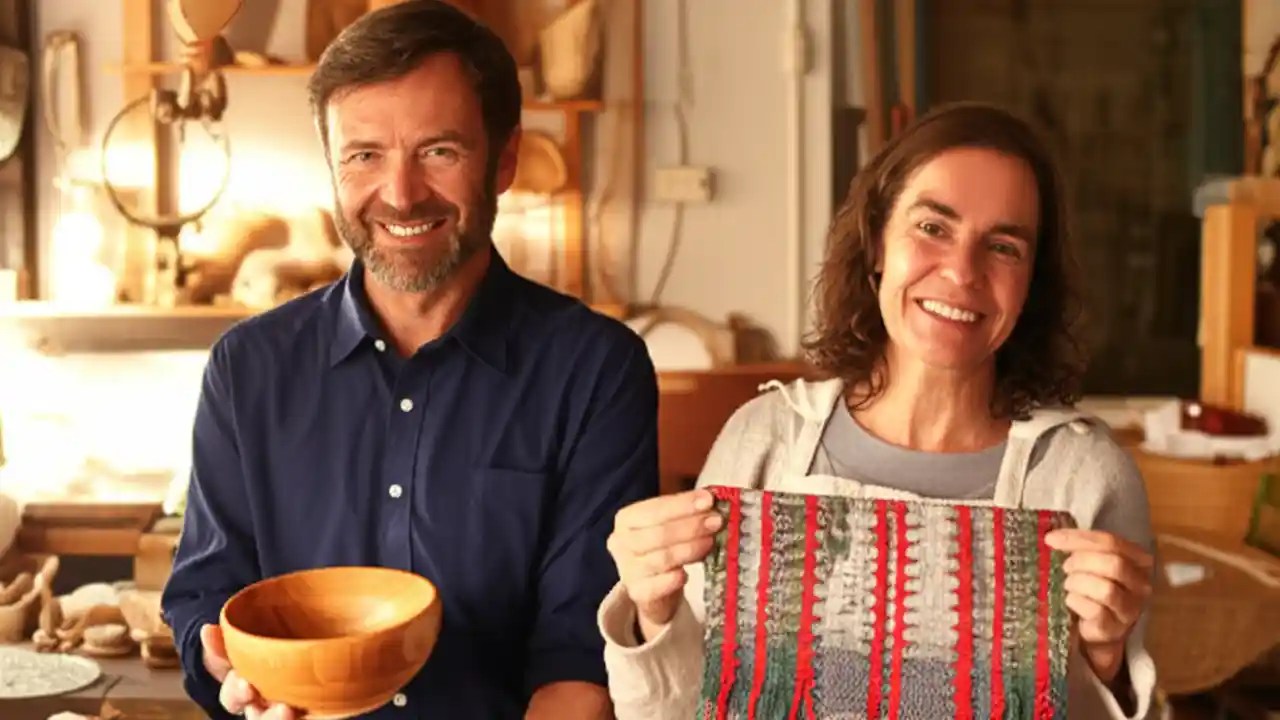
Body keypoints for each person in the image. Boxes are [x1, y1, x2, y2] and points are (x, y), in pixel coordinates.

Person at [160, 2, 659, 718]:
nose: (400, 194)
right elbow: (206, 595)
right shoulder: (248, 368)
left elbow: (579, 650)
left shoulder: (595, 370)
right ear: (332, 165)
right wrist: (228, 669)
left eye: (440, 151)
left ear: (506, 158)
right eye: (364, 155)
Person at [599, 102, 1156, 719]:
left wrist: (1105, 659)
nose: (962, 271)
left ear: (1032, 285)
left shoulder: (1084, 477)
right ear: (876, 245)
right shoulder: (765, 441)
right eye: (933, 228)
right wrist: (654, 612)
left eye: (1003, 246)